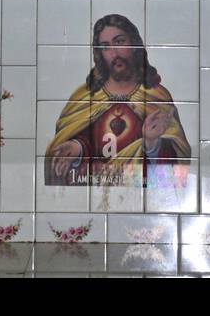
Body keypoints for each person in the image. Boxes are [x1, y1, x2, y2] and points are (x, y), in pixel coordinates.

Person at [45, 14, 190, 187]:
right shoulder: (84, 97)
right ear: (99, 53)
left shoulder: (156, 97)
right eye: (105, 47)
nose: (114, 53)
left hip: (141, 198)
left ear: (134, 45)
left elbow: (176, 161)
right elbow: (82, 140)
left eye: (119, 42)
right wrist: (77, 148)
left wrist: (152, 143)